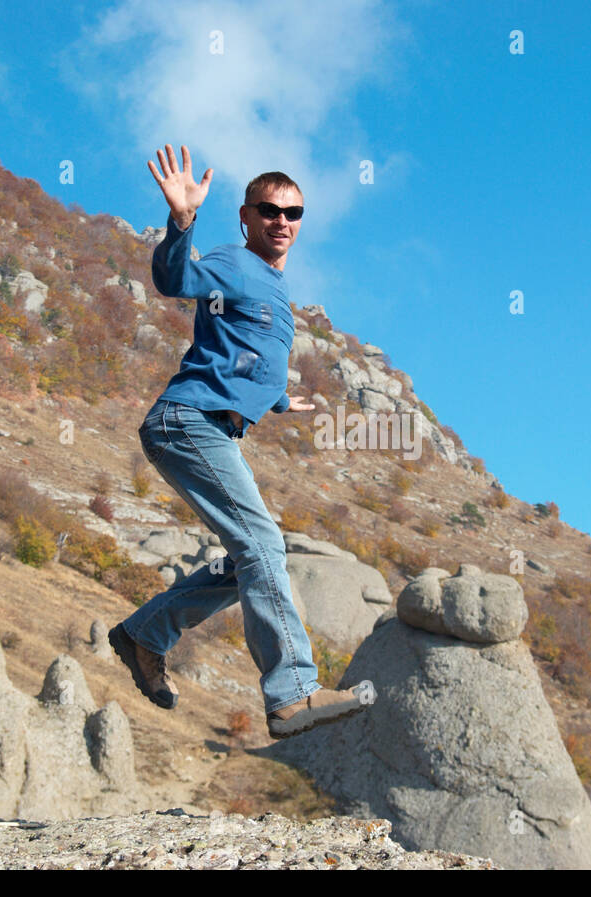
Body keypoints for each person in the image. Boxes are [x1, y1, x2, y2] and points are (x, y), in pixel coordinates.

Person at [108, 144, 374, 739]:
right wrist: (181, 221)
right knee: (262, 546)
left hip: (211, 427)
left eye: (293, 213)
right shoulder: (233, 262)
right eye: (269, 210)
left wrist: (280, 398)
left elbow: (240, 354)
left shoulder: (278, 294)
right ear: (246, 217)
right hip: (188, 421)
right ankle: (292, 694)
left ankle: (143, 635)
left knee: (245, 562)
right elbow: (174, 279)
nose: (282, 221)